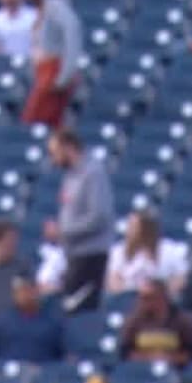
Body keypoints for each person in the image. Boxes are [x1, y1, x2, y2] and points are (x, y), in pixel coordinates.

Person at [51, 128, 114, 313]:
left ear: (68, 147)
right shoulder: (70, 176)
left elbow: (98, 216)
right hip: (74, 255)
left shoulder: (93, 173)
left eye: (55, 152)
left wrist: (64, 231)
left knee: (79, 311)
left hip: (91, 256)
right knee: (67, 309)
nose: (53, 158)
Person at [22, 0, 83, 129]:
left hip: (53, 70)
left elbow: (72, 30)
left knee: (34, 119)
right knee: (50, 122)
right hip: (44, 70)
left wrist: (64, 75)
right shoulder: (43, 8)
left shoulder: (54, 5)